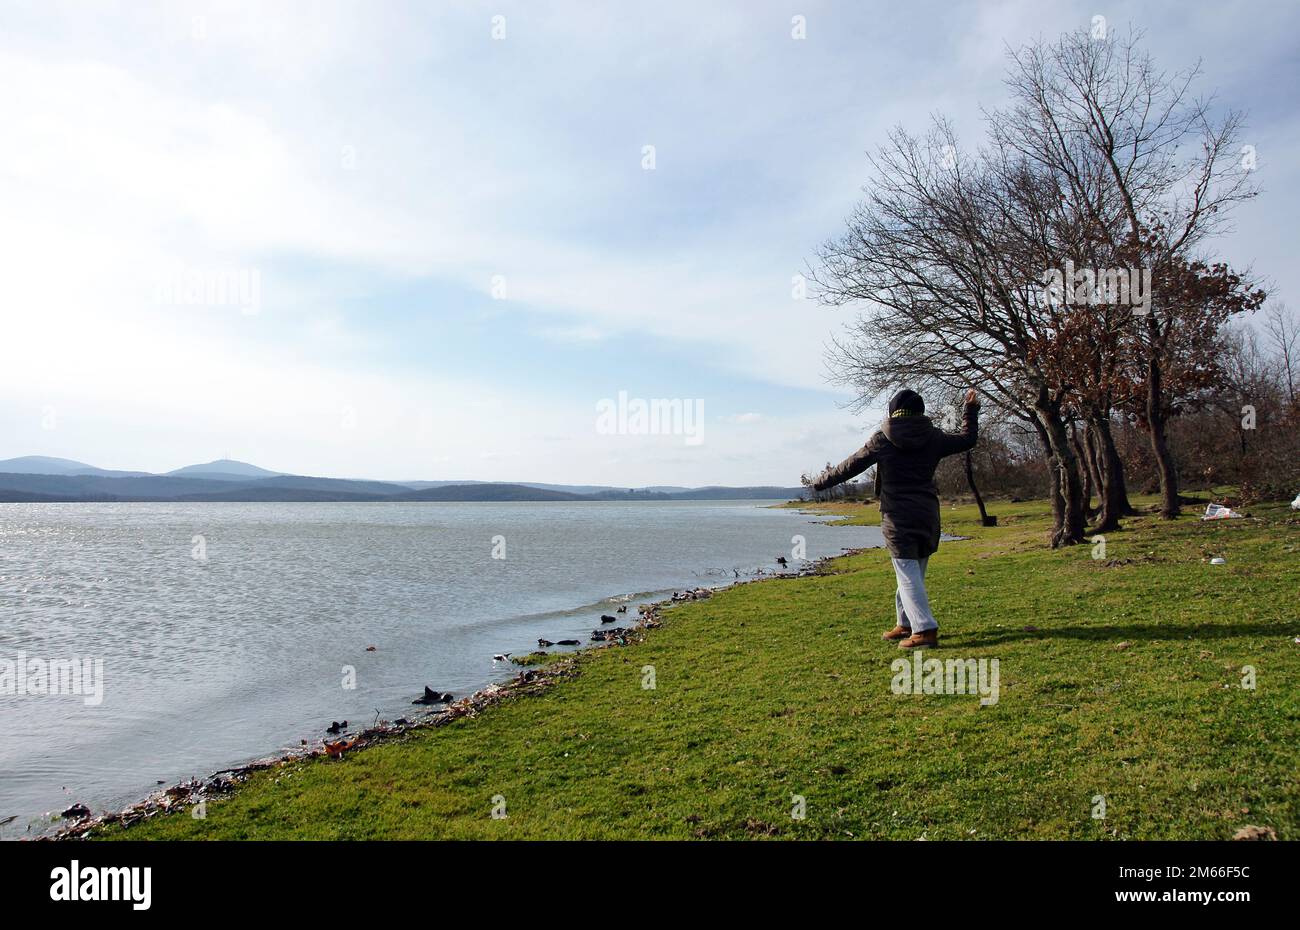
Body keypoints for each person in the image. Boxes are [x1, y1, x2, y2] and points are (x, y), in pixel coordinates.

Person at [813, 388, 979, 649]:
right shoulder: (934, 437)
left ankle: (924, 630)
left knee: (907, 574)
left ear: (892, 412)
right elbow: (968, 439)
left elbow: (850, 465)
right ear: (920, 412)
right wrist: (970, 410)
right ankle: (905, 624)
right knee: (913, 572)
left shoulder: (883, 439)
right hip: (927, 514)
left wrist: (819, 483)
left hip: (898, 517)